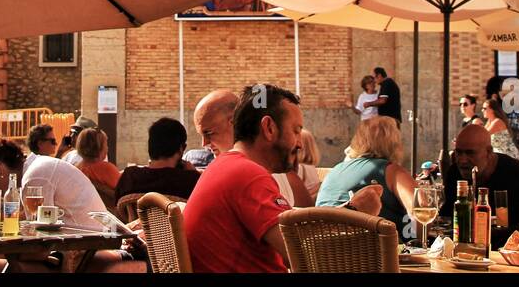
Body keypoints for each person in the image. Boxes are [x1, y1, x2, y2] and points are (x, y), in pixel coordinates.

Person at [182, 83, 382, 273]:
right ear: (269, 128)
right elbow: (303, 256)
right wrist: (357, 216)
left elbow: (293, 230)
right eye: (295, 130)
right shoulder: (247, 174)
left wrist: (347, 211)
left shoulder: (225, 166)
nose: (300, 144)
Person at [0, 138, 108, 232]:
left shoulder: (34, 177)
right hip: (84, 241)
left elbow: (38, 239)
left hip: (88, 249)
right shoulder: (35, 167)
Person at [441, 123, 519, 249]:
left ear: (489, 152)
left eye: (470, 153)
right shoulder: (454, 172)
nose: (463, 160)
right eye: (459, 153)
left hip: (505, 248)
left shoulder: (514, 172)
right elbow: (447, 215)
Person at [113, 117, 201, 201]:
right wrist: (194, 174)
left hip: (134, 217)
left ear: (150, 146)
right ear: (181, 148)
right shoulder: (190, 181)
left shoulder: (129, 177)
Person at [193, 89, 238, 159]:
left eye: (209, 133)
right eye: (201, 135)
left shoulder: (258, 163)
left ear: (234, 122)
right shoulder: (194, 160)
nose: (204, 143)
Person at [75, 127, 121, 194]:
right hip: (108, 204)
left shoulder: (76, 169)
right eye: (106, 144)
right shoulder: (106, 169)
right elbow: (124, 190)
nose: (107, 148)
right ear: (99, 147)